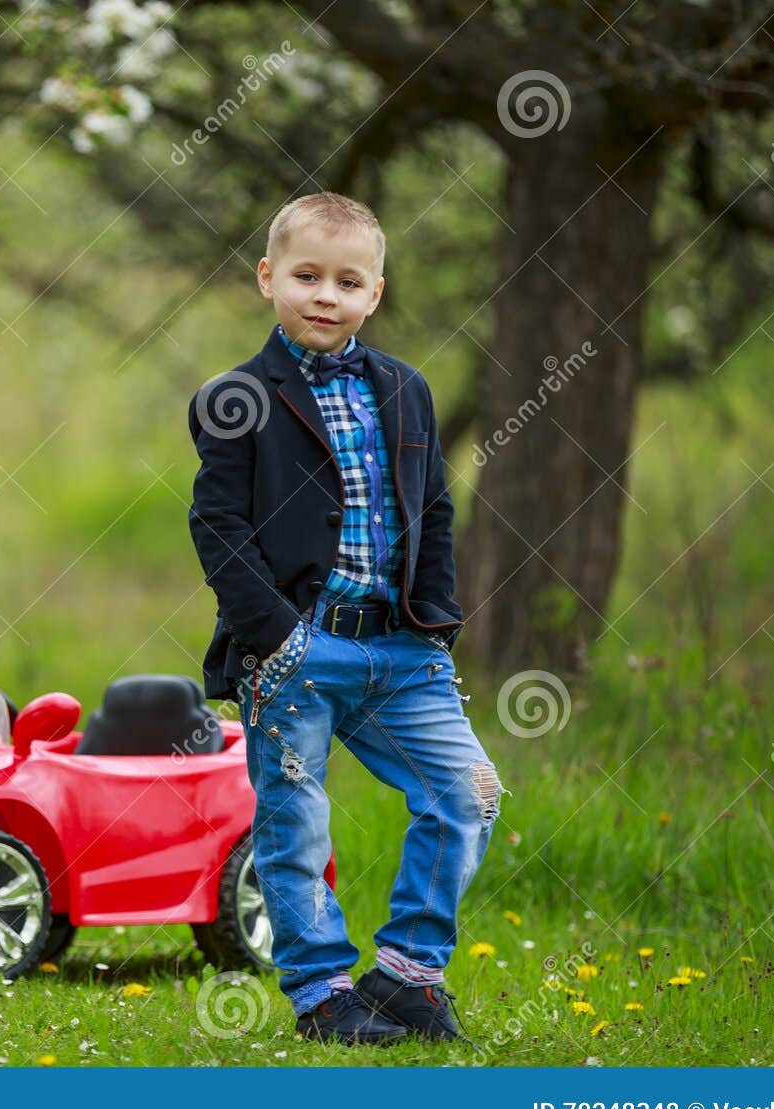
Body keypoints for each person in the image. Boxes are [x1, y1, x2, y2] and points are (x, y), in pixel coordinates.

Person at [185, 191, 507, 1048]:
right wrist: (276, 637)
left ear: (375, 293)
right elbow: (217, 526)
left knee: (468, 792)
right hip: (298, 647)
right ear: (268, 278)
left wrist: (435, 625)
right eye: (307, 276)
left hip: (402, 647)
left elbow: (433, 508)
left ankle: (407, 973)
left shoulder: (405, 389)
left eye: (347, 281)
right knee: (295, 822)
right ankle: (323, 992)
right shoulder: (237, 397)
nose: (325, 295)